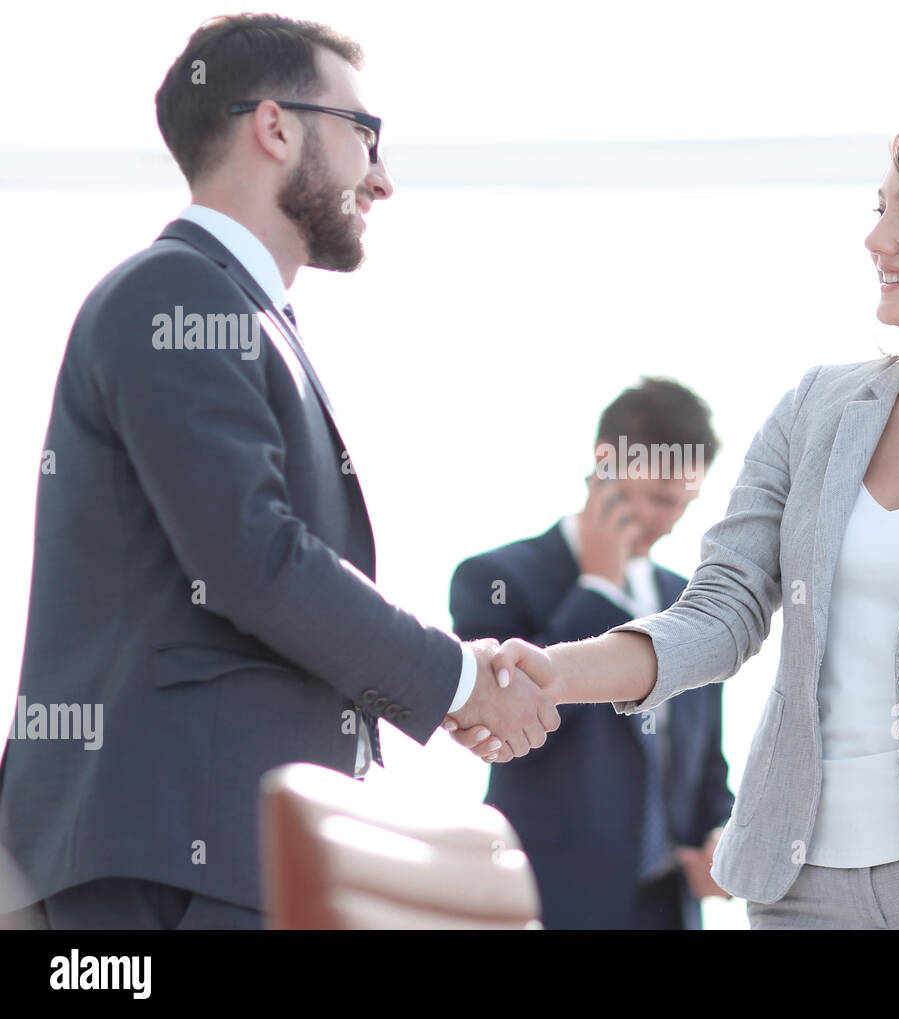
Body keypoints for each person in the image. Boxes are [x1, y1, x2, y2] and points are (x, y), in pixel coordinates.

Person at [454, 115, 899, 930]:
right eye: (879, 208)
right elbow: (719, 610)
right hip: (800, 885)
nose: (877, 237)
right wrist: (558, 672)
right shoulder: (816, 409)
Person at [0, 13, 557, 931]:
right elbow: (251, 558)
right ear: (275, 126)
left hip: (212, 849)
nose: (381, 176)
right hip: (164, 856)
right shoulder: (174, 293)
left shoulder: (240, 313)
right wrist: (457, 678)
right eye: (364, 135)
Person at [449, 379, 735, 929]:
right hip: (551, 901)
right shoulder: (495, 579)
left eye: (684, 504)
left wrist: (720, 836)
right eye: (658, 499)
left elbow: (703, 765)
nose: (669, 522)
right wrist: (598, 591)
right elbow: (508, 731)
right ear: (605, 465)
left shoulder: (691, 603)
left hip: (668, 908)